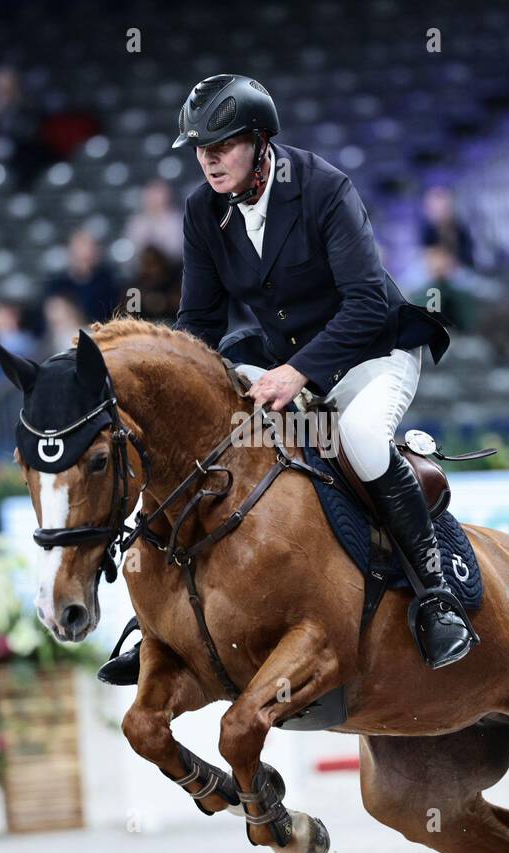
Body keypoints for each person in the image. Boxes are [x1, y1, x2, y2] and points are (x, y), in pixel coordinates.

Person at [99, 74, 471, 686]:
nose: (209, 159)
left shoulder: (325, 189)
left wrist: (297, 373)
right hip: (283, 367)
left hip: (371, 353)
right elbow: (198, 323)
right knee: (198, 440)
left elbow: (366, 306)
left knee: (358, 437)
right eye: (200, 148)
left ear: (260, 142)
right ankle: (161, 621)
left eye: (223, 145)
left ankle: (436, 597)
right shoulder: (202, 210)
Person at [42, 228, 121, 323]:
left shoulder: (108, 281)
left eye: (92, 245)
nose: (88, 250)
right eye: (82, 245)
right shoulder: (58, 285)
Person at [125, 179, 184, 263]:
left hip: (171, 268)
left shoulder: (177, 221)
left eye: (158, 194)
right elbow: (133, 248)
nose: (155, 199)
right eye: (151, 195)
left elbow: (176, 249)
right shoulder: (137, 222)